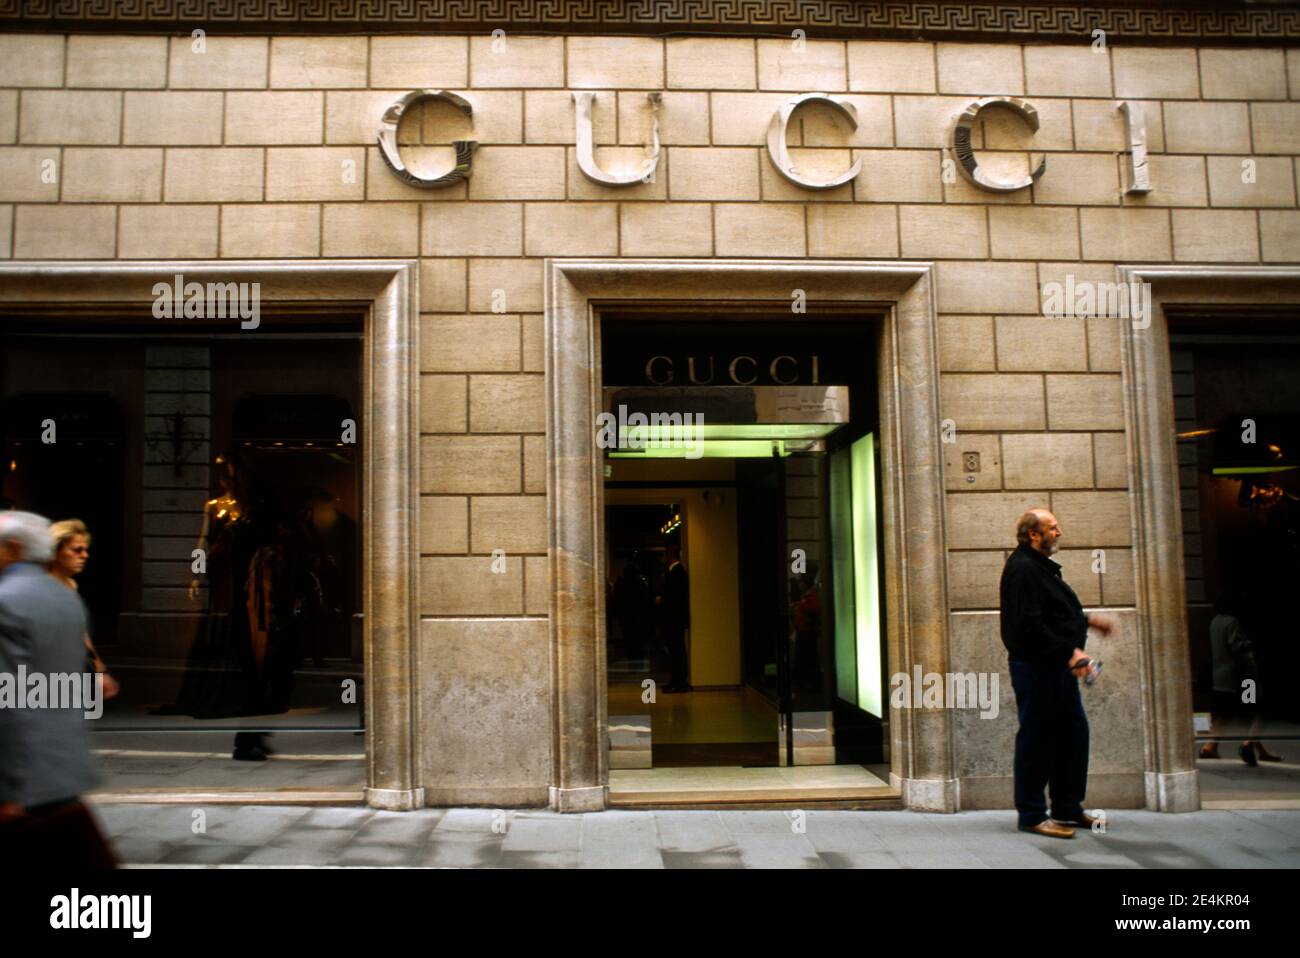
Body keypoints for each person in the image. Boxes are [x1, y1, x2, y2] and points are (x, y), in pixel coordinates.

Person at [0, 511, 116, 867]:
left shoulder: (6, 601)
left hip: (22, 780)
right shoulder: (65, 598)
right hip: (63, 770)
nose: (82, 556)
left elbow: (9, 700)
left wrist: (8, 789)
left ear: (14, 547)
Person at [999, 508, 1115, 839]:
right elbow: (1028, 626)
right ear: (1033, 534)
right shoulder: (1023, 570)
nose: (1059, 532)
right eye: (1053, 527)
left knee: (1072, 736)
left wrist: (1088, 620)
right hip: (1037, 670)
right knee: (1037, 739)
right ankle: (1033, 814)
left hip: (1056, 669)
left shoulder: (1040, 569)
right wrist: (1071, 652)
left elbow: (1053, 612)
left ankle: (1067, 807)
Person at [1199, 595, 1283, 765]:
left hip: (1221, 678)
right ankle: (1248, 745)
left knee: (1225, 714)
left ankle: (1211, 747)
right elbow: (1237, 647)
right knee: (1257, 711)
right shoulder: (1233, 622)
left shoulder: (1215, 621)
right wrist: (1252, 644)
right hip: (1244, 678)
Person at [48, 519, 119, 702]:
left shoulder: (70, 585)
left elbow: (80, 631)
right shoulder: (39, 587)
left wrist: (100, 669)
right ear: (55, 552)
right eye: (76, 550)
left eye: (85, 549)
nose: (84, 555)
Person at [659, 544, 690, 693]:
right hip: (675, 619)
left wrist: (662, 600)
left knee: (676, 650)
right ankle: (677, 680)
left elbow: (675, 597)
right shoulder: (677, 572)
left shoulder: (676, 573)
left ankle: (679, 681)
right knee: (676, 650)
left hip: (674, 619)